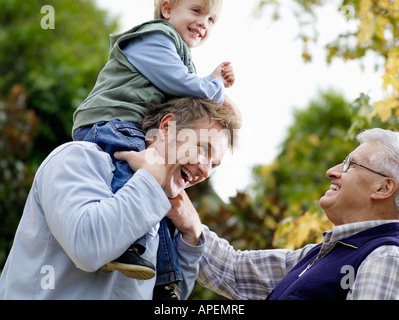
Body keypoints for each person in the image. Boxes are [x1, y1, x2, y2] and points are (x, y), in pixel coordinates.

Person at [72, 0, 241, 298]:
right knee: (139, 172)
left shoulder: (179, 54)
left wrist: (214, 86)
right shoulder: (155, 37)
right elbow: (182, 83)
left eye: (212, 20)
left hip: (129, 126)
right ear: (166, 9)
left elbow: (189, 91)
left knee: (156, 194)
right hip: (110, 120)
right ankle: (125, 243)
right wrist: (215, 86)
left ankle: (165, 281)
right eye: (197, 11)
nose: (204, 23)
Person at [0, 97, 239, 300]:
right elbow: (88, 246)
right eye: (202, 148)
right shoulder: (78, 159)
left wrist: (190, 238)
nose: (206, 171)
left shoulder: (165, 214)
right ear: (167, 127)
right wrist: (151, 178)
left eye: (214, 164)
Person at [191, 128, 399, 300]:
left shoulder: (385, 257)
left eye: (349, 165)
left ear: (383, 188)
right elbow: (233, 269)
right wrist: (186, 220)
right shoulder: (320, 254)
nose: (332, 171)